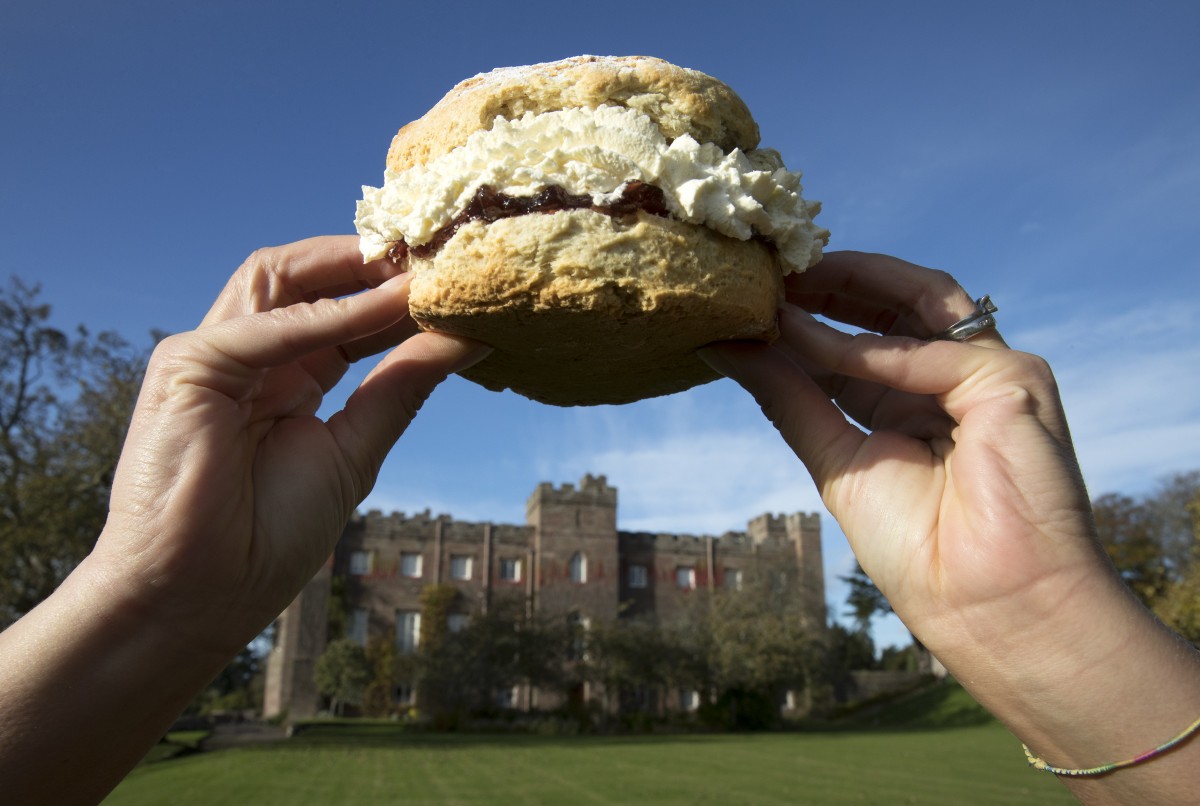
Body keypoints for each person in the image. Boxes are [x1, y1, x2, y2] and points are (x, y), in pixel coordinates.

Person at [0, 236, 1196, 803]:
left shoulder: (667, 560)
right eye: (566, 522)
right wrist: (161, 597)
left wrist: (1032, 614)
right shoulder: (400, 557)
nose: (576, 538)